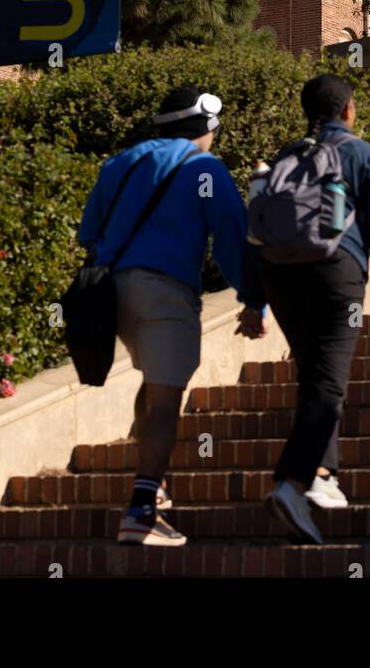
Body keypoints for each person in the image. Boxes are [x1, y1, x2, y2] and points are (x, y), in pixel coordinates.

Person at [78, 85, 265, 548]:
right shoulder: (206, 168)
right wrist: (254, 301)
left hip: (109, 293)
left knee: (151, 384)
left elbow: (89, 233)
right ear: (203, 128)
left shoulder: (120, 163)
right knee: (166, 401)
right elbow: (230, 239)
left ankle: (153, 487)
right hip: (165, 292)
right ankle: (141, 512)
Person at [242, 72, 370, 545]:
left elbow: (257, 228)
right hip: (337, 275)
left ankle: (321, 471)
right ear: (349, 111)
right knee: (329, 383)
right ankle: (291, 485)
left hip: (281, 279)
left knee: (315, 376)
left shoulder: (287, 157)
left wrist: (255, 301)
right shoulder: (364, 156)